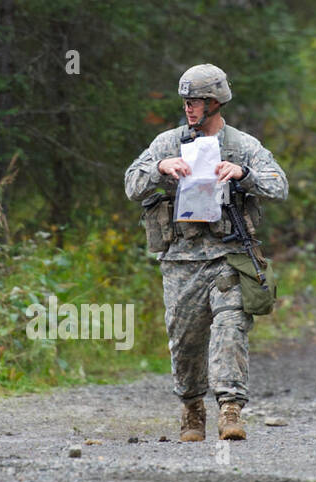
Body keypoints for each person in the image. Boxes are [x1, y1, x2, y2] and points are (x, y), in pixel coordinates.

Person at [124, 64, 288, 442]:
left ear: (215, 103)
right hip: (180, 260)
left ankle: (230, 408)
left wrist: (243, 174)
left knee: (230, 328)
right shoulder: (167, 143)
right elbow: (132, 184)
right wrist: (161, 168)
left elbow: (279, 185)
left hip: (228, 257)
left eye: (195, 101)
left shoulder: (242, 145)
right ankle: (191, 407)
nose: (188, 108)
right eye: (185, 101)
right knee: (185, 341)